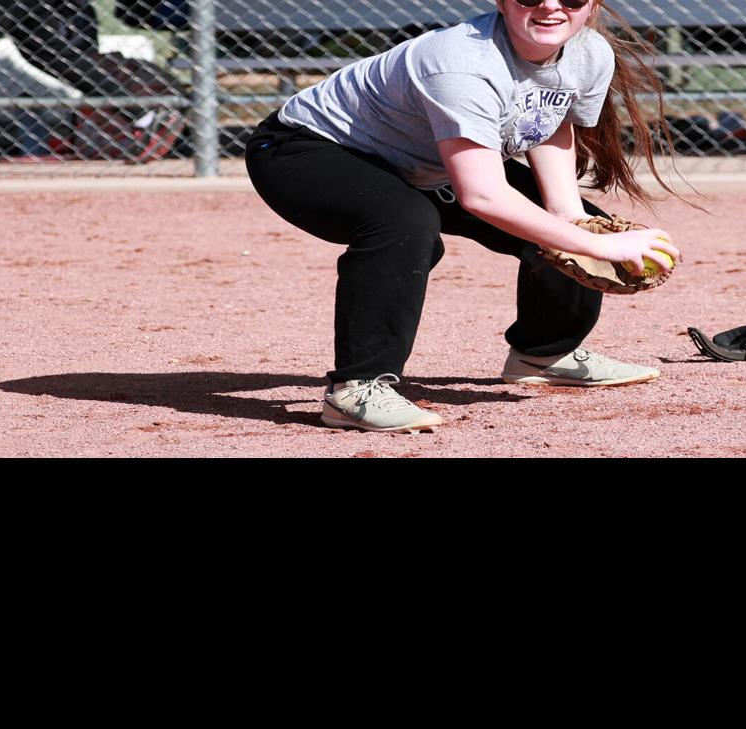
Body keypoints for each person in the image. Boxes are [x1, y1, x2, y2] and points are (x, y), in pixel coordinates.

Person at [245, 0, 686, 433]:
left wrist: (569, 217)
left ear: (592, 5)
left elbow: (548, 123)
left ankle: (544, 353)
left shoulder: (590, 52)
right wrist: (597, 245)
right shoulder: (461, 61)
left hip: (421, 160)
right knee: (406, 223)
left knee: (573, 222)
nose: (551, 8)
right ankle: (357, 389)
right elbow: (483, 196)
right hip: (305, 150)